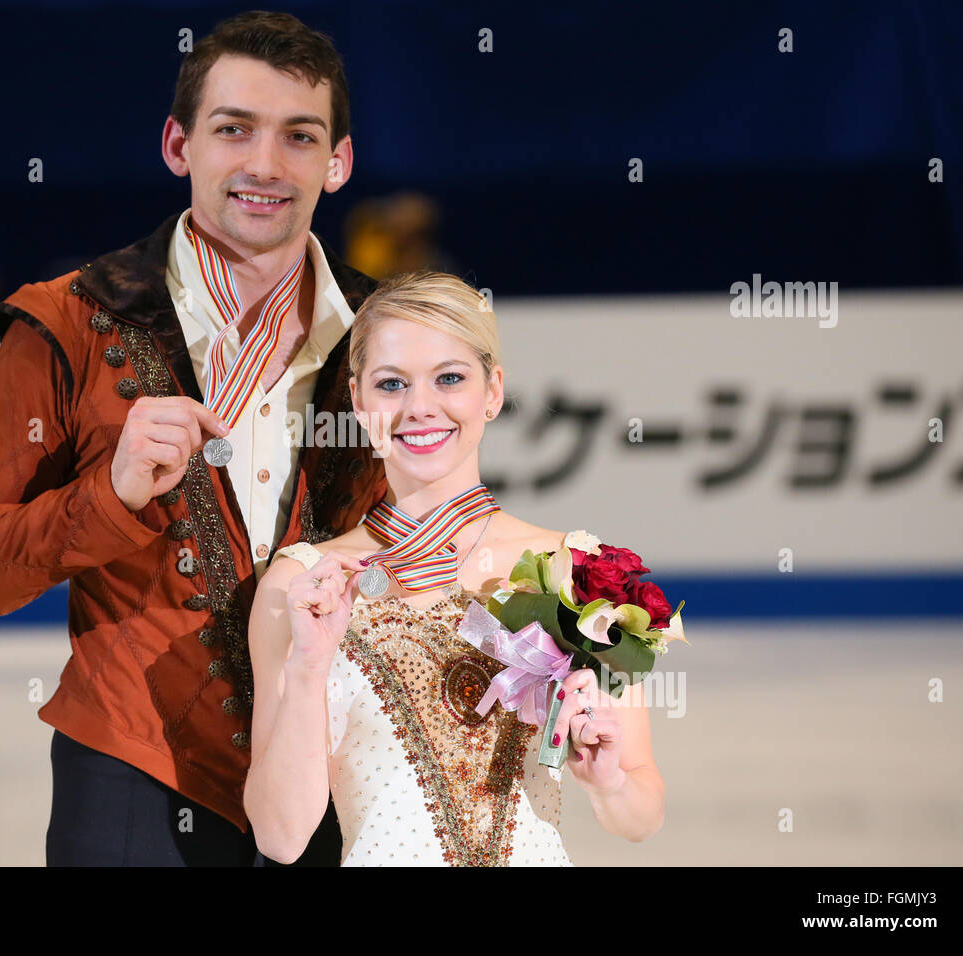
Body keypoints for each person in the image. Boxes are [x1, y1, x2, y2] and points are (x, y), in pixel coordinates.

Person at [0, 11, 387, 866]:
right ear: (178, 145)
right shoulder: (72, 320)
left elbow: (426, 551)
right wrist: (108, 497)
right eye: (233, 129)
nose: (265, 165)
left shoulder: (391, 340)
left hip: (333, 769)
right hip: (135, 773)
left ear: (338, 161)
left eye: (299, 136)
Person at [244, 271, 666, 865]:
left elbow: (642, 814)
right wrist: (310, 667)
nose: (420, 407)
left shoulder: (578, 571)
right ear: (360, 403)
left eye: (450, 378)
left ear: (492, 391)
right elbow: (280, 839)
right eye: (392, 384)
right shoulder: (301, 586)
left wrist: (609, 782)